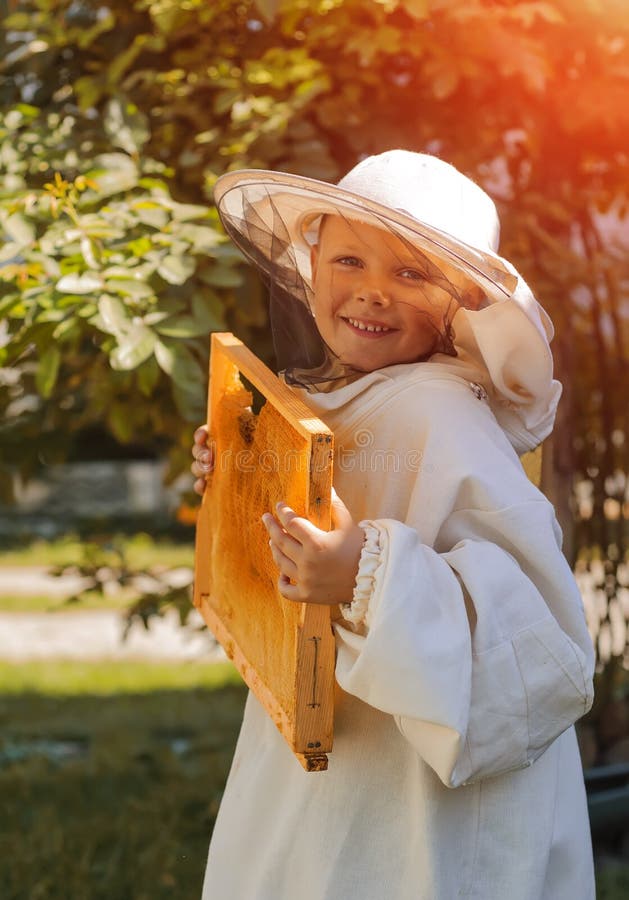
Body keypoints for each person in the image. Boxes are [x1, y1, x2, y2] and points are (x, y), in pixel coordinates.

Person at [191, 150, 596, 899]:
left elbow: (538, 638)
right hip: (329, 753)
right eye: (349, 259)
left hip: (423, 799)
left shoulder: (442, 415)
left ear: (457, 304)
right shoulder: (332, 403)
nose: (372, 292)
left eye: (409, 275)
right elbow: (276, 574)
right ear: (312, 267)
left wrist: (365, 573)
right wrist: (240, 478)